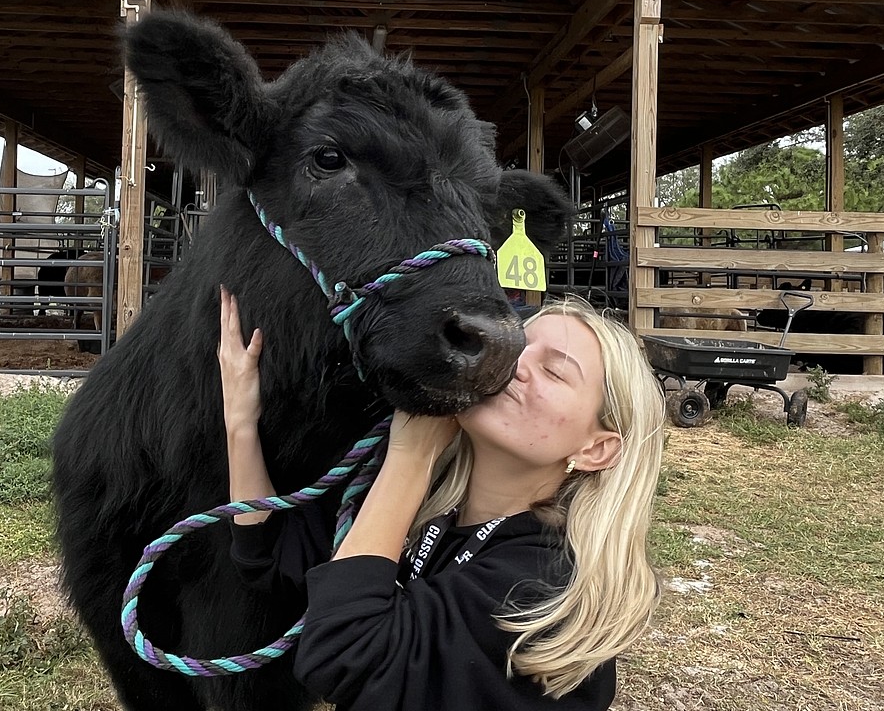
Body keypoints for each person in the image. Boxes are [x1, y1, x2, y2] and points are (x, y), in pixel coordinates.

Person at [218, 287, 665, 710]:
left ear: (595, 449)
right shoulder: (432, 512)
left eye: (554, 370)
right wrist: (240, 420)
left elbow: (341, 655)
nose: (514, 364)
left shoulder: (543, 585)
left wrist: (411, 455)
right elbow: (270, 554)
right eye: (518, 346)